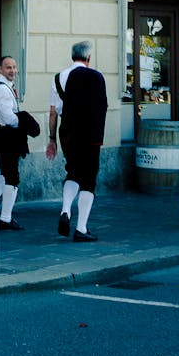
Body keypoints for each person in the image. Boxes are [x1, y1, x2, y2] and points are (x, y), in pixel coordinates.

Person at [45, 40, 108, 242]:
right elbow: (102, 107)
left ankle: (65, 210)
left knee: (73, 171)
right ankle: (81, 228)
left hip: (68, 131)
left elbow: (53, 113)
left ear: (72, 56)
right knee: (88, 180)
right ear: (89, 57)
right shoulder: (96, 77)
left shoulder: (59, 78)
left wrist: (52, 139)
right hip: (90, 134)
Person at [0, 55, 26, 231]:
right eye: (8, 67)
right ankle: (5, 218)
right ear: (0, 70)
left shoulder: (2, 86)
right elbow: (9, 118)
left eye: (14, 67)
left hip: (1, 136)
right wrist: (23, 122)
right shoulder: (3, 90)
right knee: (12, 177)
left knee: (4, 175)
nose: (12, 70)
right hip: (5, 136)